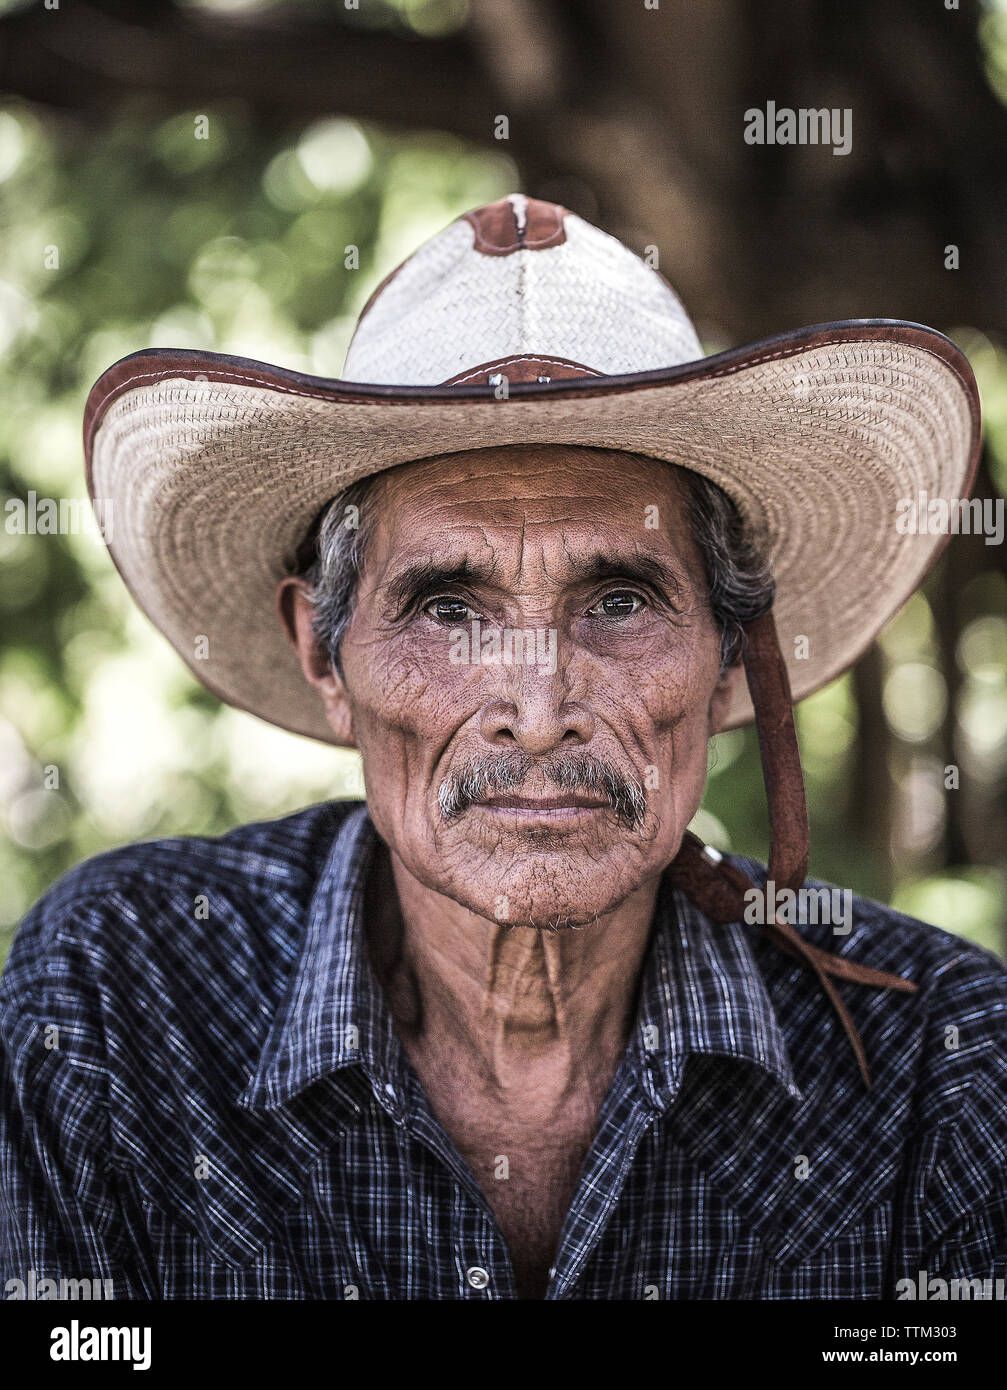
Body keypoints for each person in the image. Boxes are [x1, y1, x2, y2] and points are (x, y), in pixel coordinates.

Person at [2, 195, 1004, 1301]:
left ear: (728, 660)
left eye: (618, 599)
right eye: (445, 608)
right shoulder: (117, 998)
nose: (536, 709)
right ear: (324, 655)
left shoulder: (939, 1063)